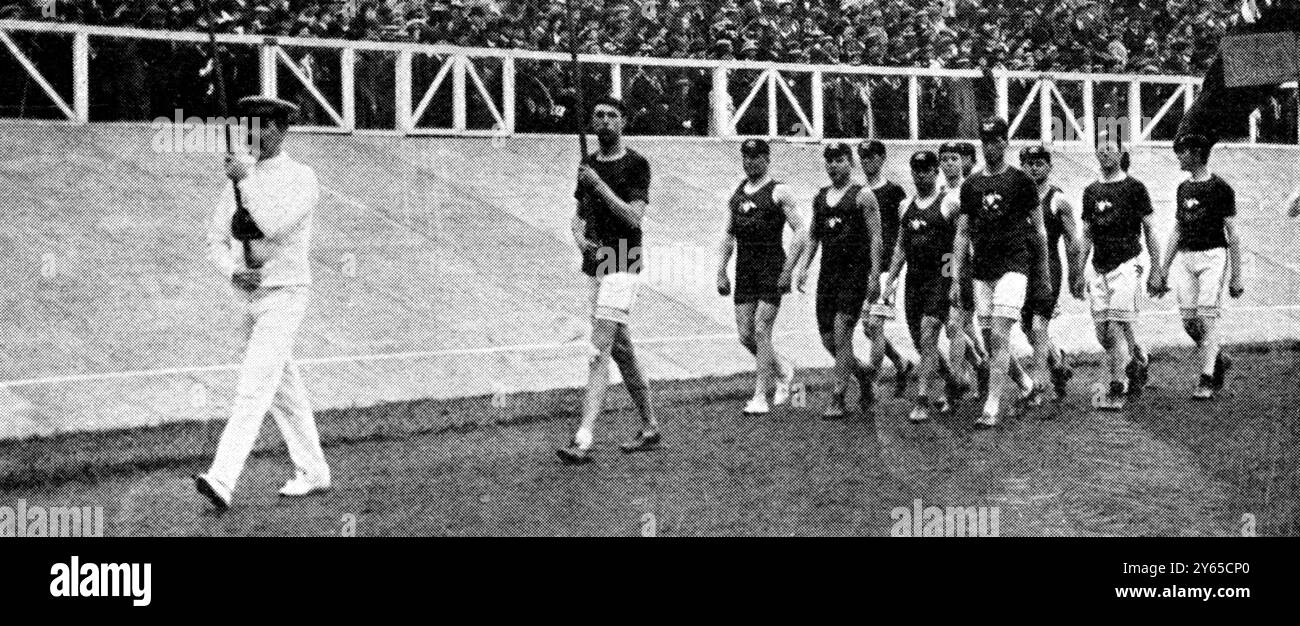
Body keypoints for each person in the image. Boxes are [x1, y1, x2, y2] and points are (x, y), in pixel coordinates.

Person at [194, 96, 330, 511]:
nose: (253, 132)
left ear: (281, 129)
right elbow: (215, 237)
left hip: (286, 294)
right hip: (248, 297)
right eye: (248, 124)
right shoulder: (239, 180)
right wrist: (231, 271)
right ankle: (314, 471)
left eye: (262, 125)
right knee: (284, 391)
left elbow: (273, 224)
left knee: (253, 388)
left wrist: (245, 180)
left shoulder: (302, 178)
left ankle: (221, 479)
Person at [558, 96, 661, 464]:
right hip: (597, 261)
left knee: (598, 350)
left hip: (623, 258)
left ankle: (583, 437)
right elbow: (578, 217)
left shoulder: (636, 164)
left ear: (623, 122)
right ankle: (650, 425)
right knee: (621, 349)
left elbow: (634, 219)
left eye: (611, 116)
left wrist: (599, 184)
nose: (604, 122)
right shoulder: (586, 166)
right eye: (598, 116)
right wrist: (580, 238)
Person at [950, 117, 1052, 427]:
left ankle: (992, 405)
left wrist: (1044, 274)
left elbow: (1039, 231)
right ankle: (1023, 381)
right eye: (986, 140)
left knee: (998, 335)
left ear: (1005, 143)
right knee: (987, 337)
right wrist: (957, 276)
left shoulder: (1021, 181)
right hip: (982, 270)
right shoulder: (971, 185)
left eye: (996, 140)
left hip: (1014, 266)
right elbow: (963, 233)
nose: (990, 146)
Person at [793, 142, 882, 419]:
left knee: (843, 331)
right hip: (828, 276)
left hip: (854, 274)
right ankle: (864, 375)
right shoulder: (820, 198)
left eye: (839, 160)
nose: (833, 165)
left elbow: (876, 238)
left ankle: (838, 396)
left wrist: (874, 276)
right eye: (829, 161)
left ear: (850, 163)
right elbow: (813, 236)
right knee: (829, 340)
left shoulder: (863, 196)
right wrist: (804, 266)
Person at [1153, 133, 1243, 400]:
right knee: (1190, 322)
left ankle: (1206, 378)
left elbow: (1233, 234)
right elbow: (1177, 229)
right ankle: (1216, 356)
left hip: (1213, 257)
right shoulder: (1183, 188)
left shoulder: (1221, 188)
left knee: (1206, 316)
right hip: (1186, 258)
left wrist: (1236, 276)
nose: (1178, 157)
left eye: (1182, 152)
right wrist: (1162, 268)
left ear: (1195, 153)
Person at [1078, 128, 1162, 410]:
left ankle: (1117, 386)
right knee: (1103, 334)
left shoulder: (1135, 188)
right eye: (1099, 146)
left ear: (1121, 152)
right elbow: (1087, 234)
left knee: (1114, 327)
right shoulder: (1091, 191)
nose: (1104, 151)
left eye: (1110, 146)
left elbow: (1150, 229)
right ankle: (1138, 357)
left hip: (1128, 263)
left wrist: (1156, 268)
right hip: (1098, 267)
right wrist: (1078, 271)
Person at [716, 138, 801, 415]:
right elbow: (729, 235)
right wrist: (721, 270)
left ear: (766, 159)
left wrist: (789, 269)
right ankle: (785, 371)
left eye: (756, 156)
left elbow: (801, 231)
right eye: (746, 156)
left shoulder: (779, 192)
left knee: (762, 329)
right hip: (744, 269)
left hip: (771, 267)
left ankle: (760, 396)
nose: (750, 161)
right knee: (745, 335)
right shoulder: (738, 193)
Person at [881, 151, 960, 422]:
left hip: (939, 278)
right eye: (916, 169)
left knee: (928, 335)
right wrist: (891, 279)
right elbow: (901, 246)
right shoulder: (905, 206)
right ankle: (951, 377)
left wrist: (953, 280)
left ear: (936, 171)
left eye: (926, 169)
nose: (921, 174)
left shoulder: (949, 202)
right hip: (914, 279)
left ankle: (923, 398)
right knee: (919, 339)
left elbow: (958, 245)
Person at [1019, 144, 1084, 401]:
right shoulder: (1017, 197)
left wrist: (1074, 275)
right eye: (1028, 163)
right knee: (1026, 326)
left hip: (1048, 269)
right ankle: (1057, 362)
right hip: (1021, 268)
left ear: (1049, 166)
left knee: (1038, 324)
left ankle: (1037, 383)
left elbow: (1073, 241)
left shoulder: (1059, 200)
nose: (1033, 168)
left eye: (1038, 163)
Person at [859, 139, 914, 400]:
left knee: (875, 327)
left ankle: (872, 384)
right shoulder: (858, 192)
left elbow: (906, 230)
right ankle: (901, 363)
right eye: (863, 156)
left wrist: (895, 271)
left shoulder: (894, 192)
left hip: (886, 270)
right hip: (864, 268)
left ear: (882, 158)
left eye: (871, 156)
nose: (866, 161)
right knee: (868, 328)